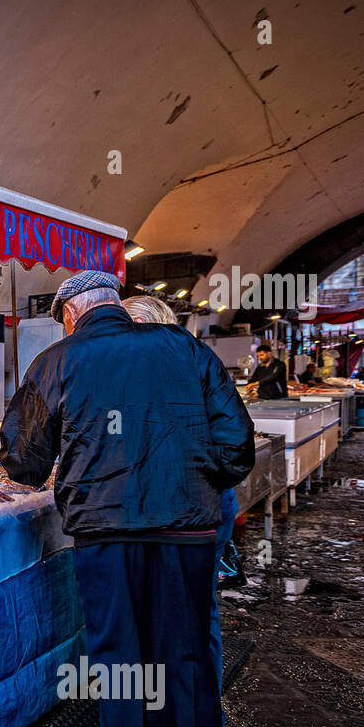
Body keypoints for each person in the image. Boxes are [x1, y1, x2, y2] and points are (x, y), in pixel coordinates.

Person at [1, 271, 255, 727]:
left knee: (121, 665)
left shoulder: (59, 359)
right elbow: (236, 444)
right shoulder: (187, 348)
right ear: (115, 304)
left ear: (70, 312)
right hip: (187, 535)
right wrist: (185, 483)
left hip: (106, 538)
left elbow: (22, 461)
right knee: (186, 661)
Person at [123, 294, 239, 699]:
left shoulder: (157, 367)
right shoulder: (198, 358)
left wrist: (198, 484)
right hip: (198, 502)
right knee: (185, 611)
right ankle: (188, 718)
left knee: (181, 614)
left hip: (186, 508)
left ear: (142, 325)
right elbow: (234, 442)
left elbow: (233, 446)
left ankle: (188, 720)